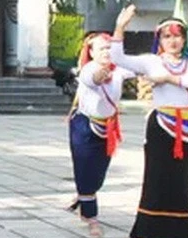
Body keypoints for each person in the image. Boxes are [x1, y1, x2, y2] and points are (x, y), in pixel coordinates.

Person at [110, 4, 188, 238]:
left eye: (177, 36)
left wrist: (167, 78)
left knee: (183, 181)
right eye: (167, 36)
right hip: (162, 126)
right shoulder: (151, 61)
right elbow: (118, 57)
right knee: (157, 178)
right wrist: (120, 27)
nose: (173, 41)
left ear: (184, 39)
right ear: (159, 39)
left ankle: (182, 229)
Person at [67, 32, 134, 237]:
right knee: (85, 170)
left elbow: (141, 67)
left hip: (107, 127)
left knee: (98, 173)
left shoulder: (120, 70)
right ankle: (91, 216)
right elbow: (93, 79)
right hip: (84, 126)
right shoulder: (89, 69)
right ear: (92, 52)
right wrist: (101, 74)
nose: (106, 52)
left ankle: (83, 196)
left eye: (108, 48)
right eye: (101, 48)